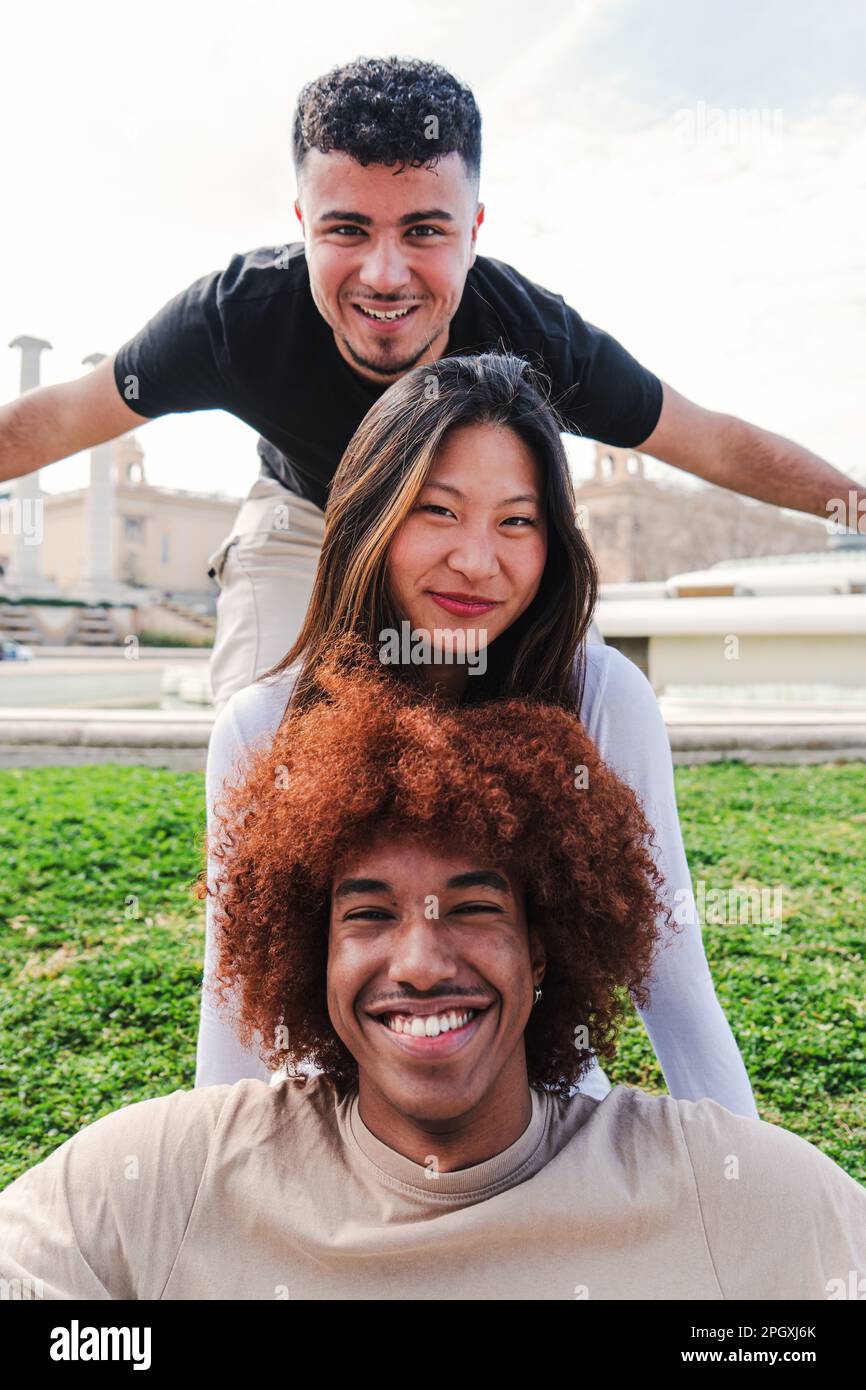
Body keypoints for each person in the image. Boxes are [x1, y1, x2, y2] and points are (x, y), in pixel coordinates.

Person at [1, 56, 862, 707]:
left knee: (564, 728)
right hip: (309, 517)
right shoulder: (234, 318)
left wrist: (858, 511)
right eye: (346, 229)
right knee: (263, 738)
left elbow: (709, 438)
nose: (384, 274)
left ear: (474, 229)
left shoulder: (536, 334)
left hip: (479, 531)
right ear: (302, 224)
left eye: (423, 230)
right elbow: (58, 420)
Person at [1, 653, 862, 1301]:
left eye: (477, 908)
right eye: (370, 914)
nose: (418, 964)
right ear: (313, 955)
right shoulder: (168, 1178)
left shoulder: (716, 1187)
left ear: (547, 949)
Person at [197, 350, 758, 1119]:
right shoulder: (261, 726)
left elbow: (673, 978)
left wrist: (746, 1183)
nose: (476, 560)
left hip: (545, 1138)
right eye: (439, 510)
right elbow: (234, 1023)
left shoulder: (601, 697)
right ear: (371, 516)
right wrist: (212, 1201)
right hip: (343, 1143)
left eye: (516, 521)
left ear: (553, 541)